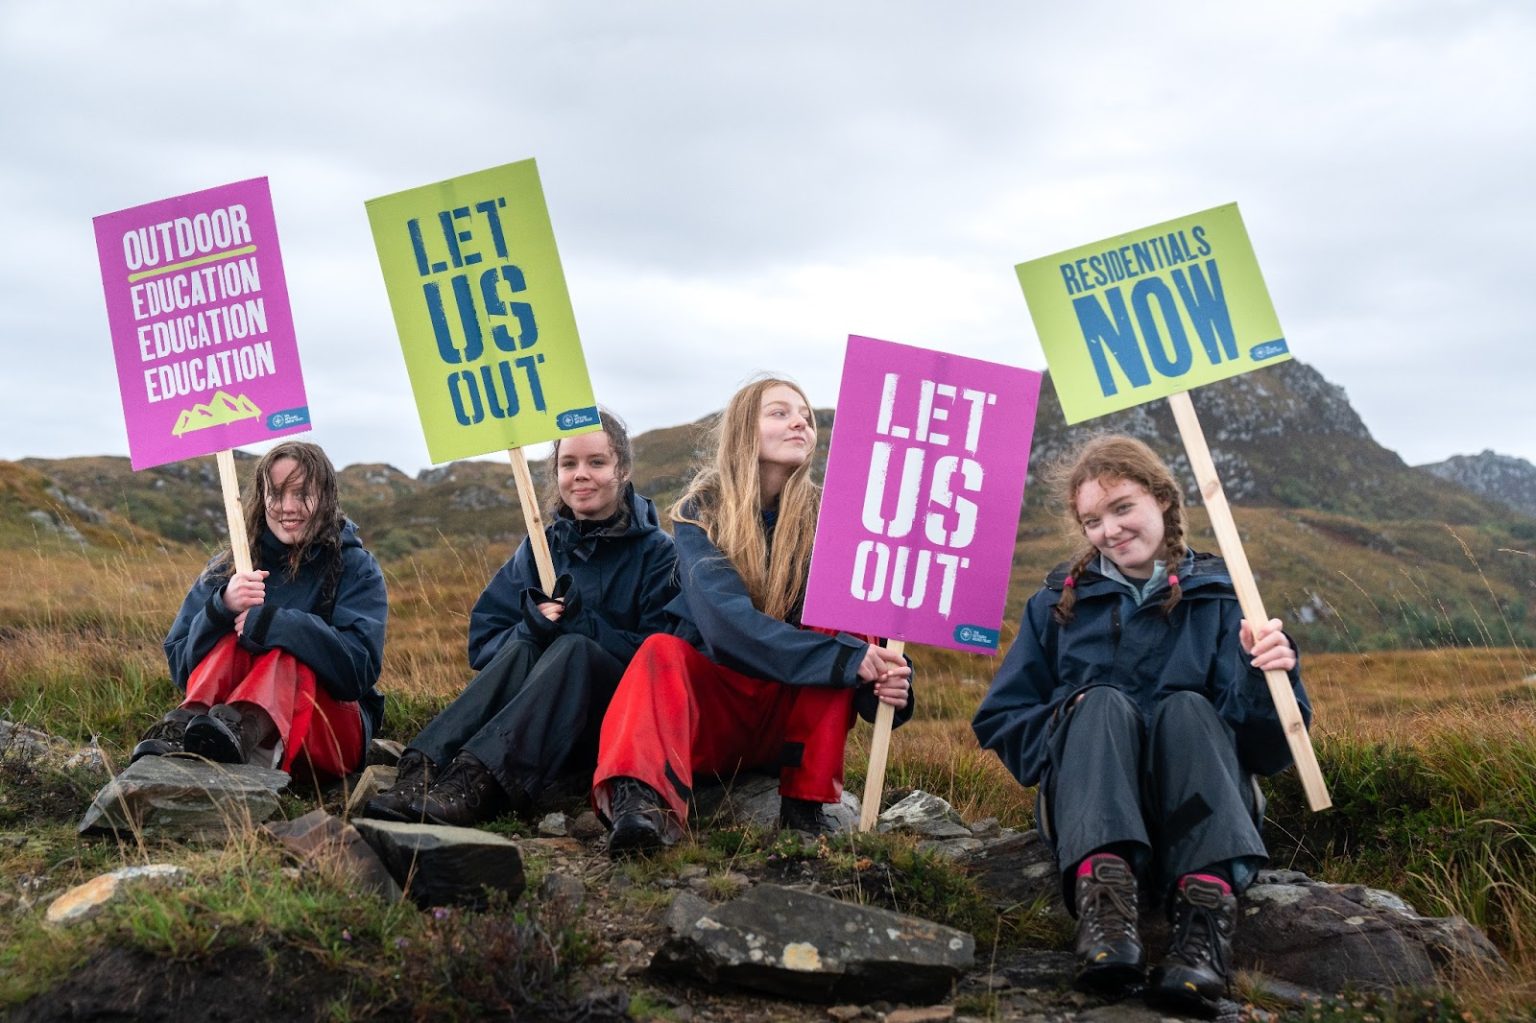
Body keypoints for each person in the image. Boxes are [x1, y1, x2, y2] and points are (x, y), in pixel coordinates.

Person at [970, 434, 1310, 1014]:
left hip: (1201, 808)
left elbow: (1268, 751)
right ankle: (1106, 915)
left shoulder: (1227, 599)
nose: (1110, 530)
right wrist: (1073, 726)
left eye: (1122, 507)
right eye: (1092, 520)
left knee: (1187, 709)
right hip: (1093, 808)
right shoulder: (1054, 605)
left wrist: (1267, 676)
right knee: (1100, 703)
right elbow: (1003, 716)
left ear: (1162, 499)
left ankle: (1202, 929)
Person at [592, 376, 914, 858]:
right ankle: (642, 806)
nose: (800, 422)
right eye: (780, 412)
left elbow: (869, 642)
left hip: (788, 729)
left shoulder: (833, 521)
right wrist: (846, 659)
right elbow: (726, 630)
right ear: (745, 429)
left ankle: (804, 809)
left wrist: (891, 687)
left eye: (805, 415)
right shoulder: (699, 514)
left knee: (844, 629)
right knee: (660, 651)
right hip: (715, 722)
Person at [364, 409, 679, 827]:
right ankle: (424, 767)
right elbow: (483, 641)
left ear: (622, 470)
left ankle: (476, 782)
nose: (580, 475)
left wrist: (585, 628)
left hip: (608, 724)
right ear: (556, 473)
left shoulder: (658, 553)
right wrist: (531, 627)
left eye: (597, 462)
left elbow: (662, 657)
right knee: (525, 645)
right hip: (539, 721)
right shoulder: (540, 548)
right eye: (568, 464)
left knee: (575, 648)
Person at [135, 441, 388, 779]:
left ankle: (244, 733)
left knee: (286, 655)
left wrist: (276, 624)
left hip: (333, 733)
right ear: (261, 497)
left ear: (327, 497)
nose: (288, 507)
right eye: (276, 494)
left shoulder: (356, 567)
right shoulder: (230, 567)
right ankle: (186, 729)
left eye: (303, 494)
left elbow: (358, 671)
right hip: (217, 724)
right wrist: (221, 608)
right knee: (230, 643)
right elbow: (181, 668)